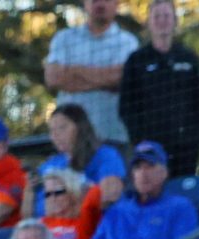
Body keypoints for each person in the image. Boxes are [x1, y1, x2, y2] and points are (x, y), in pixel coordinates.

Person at [121, 0, 199, 179]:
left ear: (175, 21)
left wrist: (196, 137)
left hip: (185, 146)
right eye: (157, 16)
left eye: (167, 16)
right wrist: (139, 139)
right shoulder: (137, 60)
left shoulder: (188, 57)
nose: (162, 20)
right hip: (150, 147)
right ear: (148, 22)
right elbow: (127, 105)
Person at [47, 0, 140, 145]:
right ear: (85, 3)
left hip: (115, 137)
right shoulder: (63, 39)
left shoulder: (129, 43)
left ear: (117, 4)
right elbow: (53, 79)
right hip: (72, 143)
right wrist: (108, 79)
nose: (101, 4)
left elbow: (126, 81)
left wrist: (75, 72)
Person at [34, 103, 127, 217]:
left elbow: (110, 195)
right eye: (52, 130)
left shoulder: (105, 155)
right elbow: (32, 210)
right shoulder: (50, 165)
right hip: (48, 229)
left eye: (62, 127)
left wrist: (68, 211)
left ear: (80, 127)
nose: (55, 135)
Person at [40, 168, 104, 239]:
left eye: (58, 192)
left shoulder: (85, 217)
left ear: (72, 192)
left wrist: (82, 186)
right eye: (47, 194)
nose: (52, 198)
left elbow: (98, 191)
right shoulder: (42, 223)